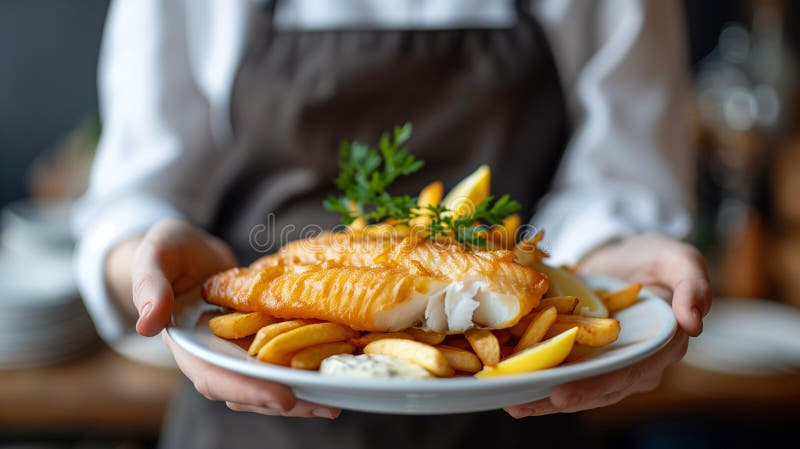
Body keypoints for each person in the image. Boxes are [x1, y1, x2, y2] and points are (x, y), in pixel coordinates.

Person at [73, 0, 711, 447]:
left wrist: (613, 253)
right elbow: (136, 193)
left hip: (519, 416)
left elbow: (620, 176)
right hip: (250, 423)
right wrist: (144, 263)